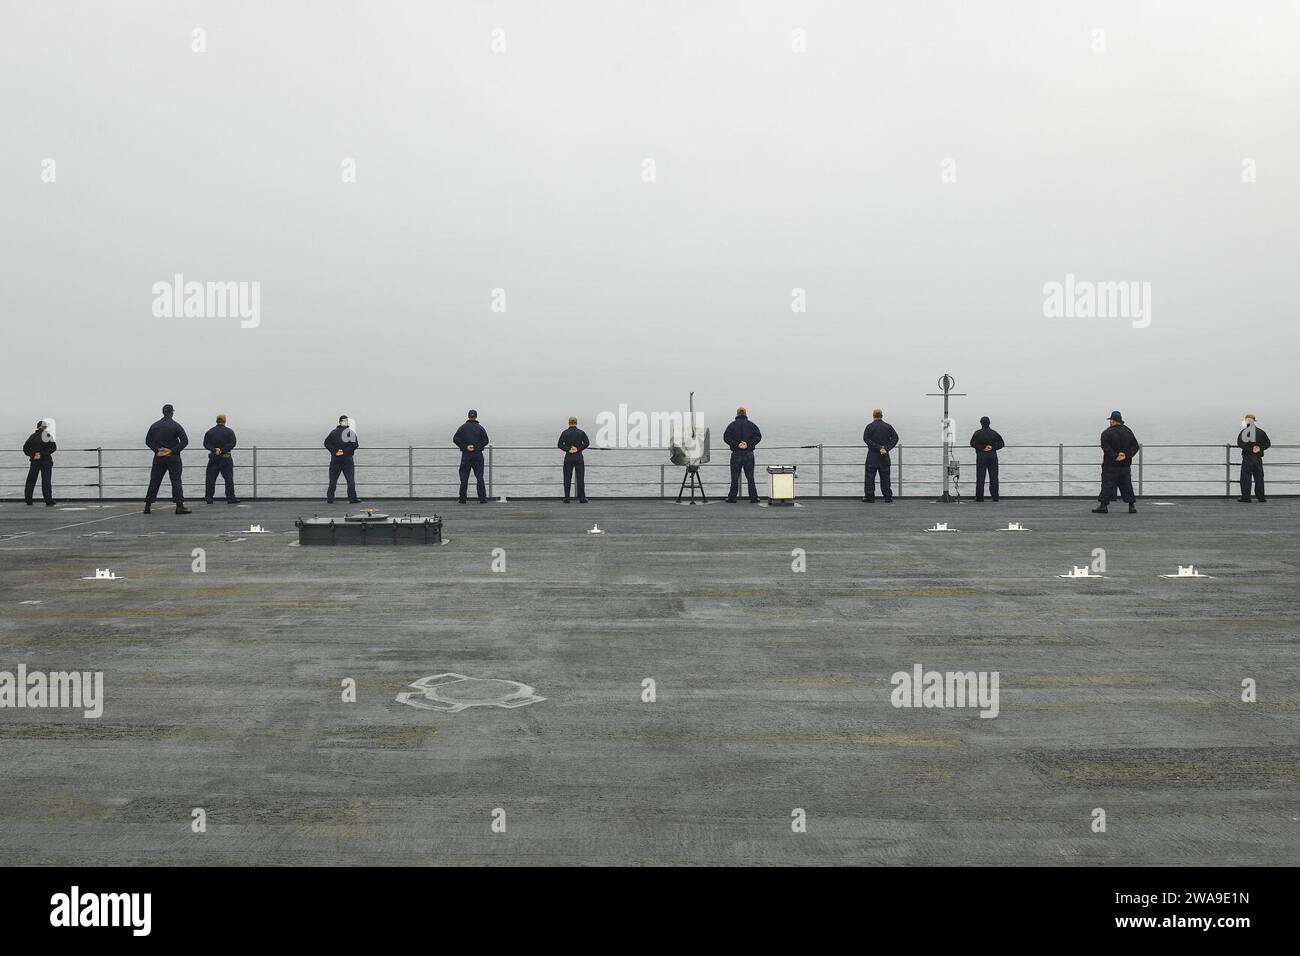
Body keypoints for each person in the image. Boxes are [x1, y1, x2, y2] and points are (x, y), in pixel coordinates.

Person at [144, 403, 191, 514]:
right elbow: (185, 441)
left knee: (154, 481)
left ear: (163, 412)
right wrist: (172, 451)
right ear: (172, 413)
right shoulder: (176, 425)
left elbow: (148, 441)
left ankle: (148, 505)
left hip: (159, 458)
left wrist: (157, 450)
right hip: (173, 457)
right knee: (176, 481)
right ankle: (179, 506)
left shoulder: (155, 425)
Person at [1092, 411, 1140, 514]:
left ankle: (1103, 506)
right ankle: (1131, 506)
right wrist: (1126, 455)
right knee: (1127, 485)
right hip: (1125, 465)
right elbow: (1135, 447)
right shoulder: (1128, 431)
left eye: (1110, 420)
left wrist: (1115, 456)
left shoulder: (1106, 433)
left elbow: (1106, 448)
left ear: (1112, 421)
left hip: (1110, 464)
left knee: (1107, 485)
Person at [723, 406, 762, 503]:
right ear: (745, 414)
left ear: (737, 414)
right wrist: (748, 444)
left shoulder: (732, 425)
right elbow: (758, 436)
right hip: (748, 454)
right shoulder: (752, 425)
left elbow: (726, 437)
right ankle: (754, 498)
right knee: (750, 477)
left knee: (735, 477)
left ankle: (732, 498)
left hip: (736, 454)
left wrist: (737, 444)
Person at [203, 413, 241, 504]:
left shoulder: (210, 432)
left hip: (213, 457)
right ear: (224, 421)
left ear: (216, 421)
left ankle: (209, 498)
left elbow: (205, 444)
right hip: (226, 457)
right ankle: (231, 498)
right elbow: (233, 443)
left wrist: (214, 449)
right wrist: (223, 450)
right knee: (228, 478)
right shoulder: (229, 431)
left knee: (210, 479)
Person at [862, 408, 899, 503]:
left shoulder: (869, 427)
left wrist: (877, 447)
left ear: (873, 416)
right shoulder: (888, 427)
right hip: (884, 455)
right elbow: (895, 438)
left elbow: (866, 439)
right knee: (885, 477)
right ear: (882, 415)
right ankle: (888, 497)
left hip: (872, 456)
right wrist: (886, 448)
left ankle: (870, 497)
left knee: (870, 477)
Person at [453, 410, 490, 503]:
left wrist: (466, 447)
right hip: (477, 455)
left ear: (468, 416)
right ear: (476, 416)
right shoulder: (480, 428)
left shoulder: (462, 428)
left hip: (466, 455)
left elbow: (455, 439)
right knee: (480, 477)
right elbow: (486, 440)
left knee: (464, 477)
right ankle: (482, 499)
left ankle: (462, 499)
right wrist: (475, 447)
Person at [324, 415, 360, 504]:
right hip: (347, 459)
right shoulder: (350, 433)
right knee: (350, 480)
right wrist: (344, 452)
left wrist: (336, 451)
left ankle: (330, 499)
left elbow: (326, 443)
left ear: (339, 422)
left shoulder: (333, 432)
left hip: (335, 459)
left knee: (333, 480)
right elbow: (355, 445)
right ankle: (352, 499)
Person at [969, 416, 1005, 502]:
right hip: (992, 456)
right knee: (994, 477)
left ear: (981, 423)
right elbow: (1002, 443)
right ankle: (995, 497)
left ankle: (979, 497)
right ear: (989, 423)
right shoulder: (994, 433)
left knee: (980, 477)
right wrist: (992, 447)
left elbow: (972, 443)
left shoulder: (977, 433)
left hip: (981, 456)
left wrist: (982, 448)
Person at [1236, 413, 1271, 503]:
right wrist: (1259, 448)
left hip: (1247, 457)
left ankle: (1246, 498)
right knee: (1259, 477)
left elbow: (1240, 443)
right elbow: (1268, 443)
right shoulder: (1261, 432)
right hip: (1257, 457)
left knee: (1245, 478)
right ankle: (1261, 497)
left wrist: (1250, 449)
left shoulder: (1244, 432)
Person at [23, 421, 57, 506]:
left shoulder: (32, 436)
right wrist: (43, 454)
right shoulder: (47, 436)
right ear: (45, 428)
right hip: (45, 461)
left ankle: (28, 500)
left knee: (31, 481)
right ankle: (48, 500)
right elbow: (53, 448)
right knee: (46, 481)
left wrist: (33, 455)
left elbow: (25, 448)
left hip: (35, 461)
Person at [557, 416, 590, 503]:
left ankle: (567, 498)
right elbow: (587, 443)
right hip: (578, 457)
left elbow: (559, 444)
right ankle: (582, 498)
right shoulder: (581, 432)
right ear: (576, 423)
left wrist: (568, 449)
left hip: (568, 457)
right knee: (580, 478)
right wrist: (578, 449)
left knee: (567, 477)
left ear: (569, 423)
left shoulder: (565, 433)